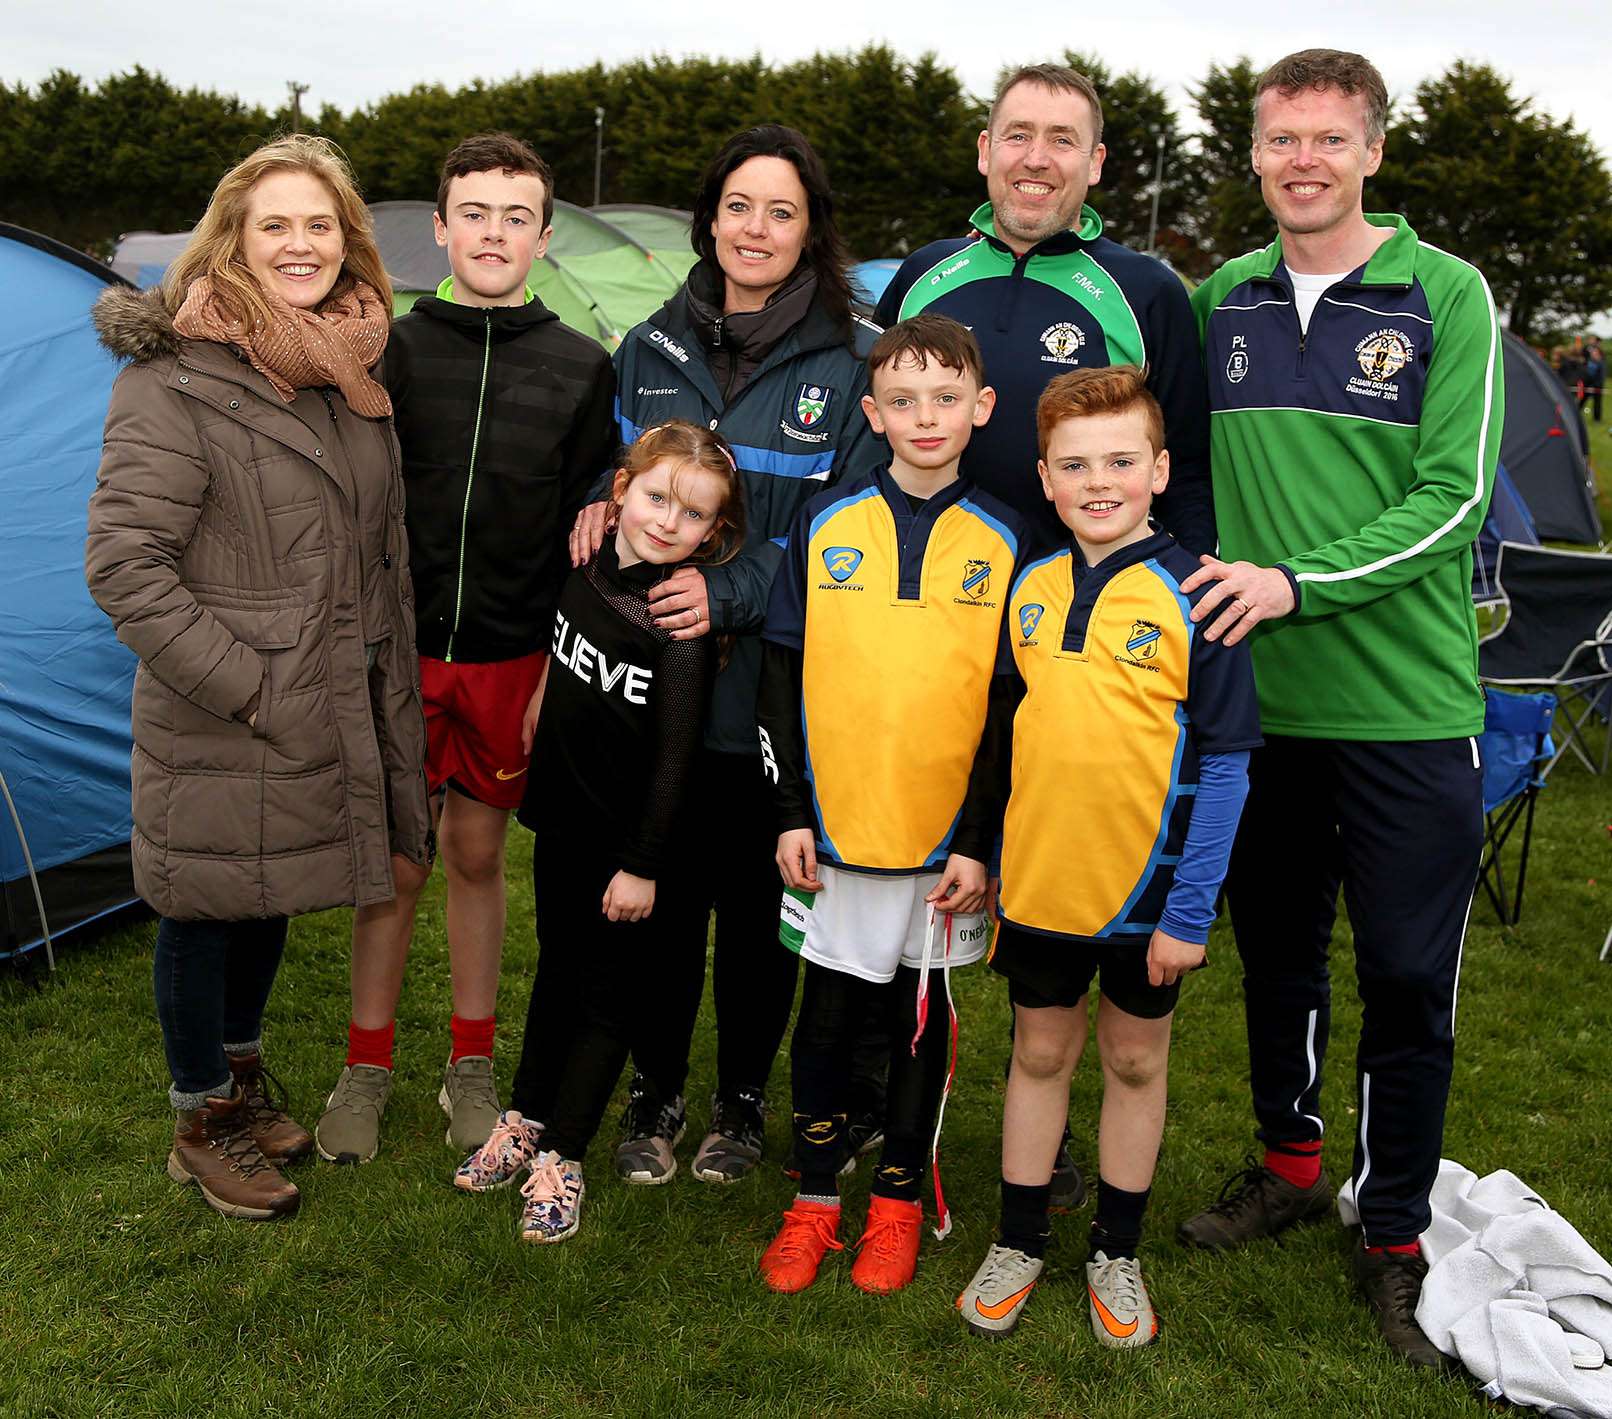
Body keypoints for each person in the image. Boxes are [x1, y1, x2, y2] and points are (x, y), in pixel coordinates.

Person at [1175, 49, 1500, 1369]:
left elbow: (1459, 496)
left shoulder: (1446, 295)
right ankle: (1290, 1161)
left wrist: (1293, 581)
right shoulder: (1215, 301)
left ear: (1373, 150)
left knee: (1412, 976)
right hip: (1262, 709)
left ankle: (1396, 1228)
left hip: (1410, 706)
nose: (1301, 159)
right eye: (1278, 139)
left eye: (1327, 138)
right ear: (1252, 156)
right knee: (1284, 961)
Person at [85, 134, 430, 1221]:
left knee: (272, 890)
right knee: (204, 905)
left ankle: (238, 1082)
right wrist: (256, 687)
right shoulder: (172, 381)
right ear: (232, 236)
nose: (299, 244)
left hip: (327, 694)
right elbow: (124, 568)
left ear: (349, 242)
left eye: (319, 224)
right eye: (273, 223)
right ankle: (199, 1118)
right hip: (231, 706)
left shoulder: (342, 370)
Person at [568, 125, 882, 1187]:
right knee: (657, 892)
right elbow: (627, 479)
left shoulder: (854, 365)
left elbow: (843, 540)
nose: (756, 229)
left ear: (812, 230)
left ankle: (741, 1102)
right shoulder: (649, 346)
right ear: (709, 217)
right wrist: (594, 512)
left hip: (771, 688)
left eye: (780, 211)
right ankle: (652, 1090)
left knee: (755, 915)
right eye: (738, 206)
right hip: (655, 688)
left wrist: (726, 592)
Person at [316, 132, 616, 1165]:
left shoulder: (584, 368)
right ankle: (365, 1063)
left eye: (516, 216)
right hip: (398, 653)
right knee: (395, 864)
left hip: (510, 662)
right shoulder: (386, 350)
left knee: (476, 854)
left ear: (544, 234)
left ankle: (472, 1062)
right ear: (440, 228)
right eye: (474, 214)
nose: (494, 233)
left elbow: (590, 535)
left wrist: (555, 670)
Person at [956, 366, 1258, 1344]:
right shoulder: (1030, 589)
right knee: (1038, 1050)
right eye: (1075, 463)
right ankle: (1017, 1238)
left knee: (1133, 1060)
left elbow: (1225, 767)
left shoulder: (1198, 594)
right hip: (1041, 884)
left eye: (1121, 460)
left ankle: (1115, 1253)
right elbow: (1005, 738)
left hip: (1147, 897)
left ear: (1159, 470)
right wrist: (986, 854)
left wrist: (1189, 909)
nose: (1099, 481)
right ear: (1043, 476)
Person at [751, 314, 1020, 1295]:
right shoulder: (825, 522)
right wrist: (789, 810)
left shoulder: (1005, 537)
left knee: (920, 1017)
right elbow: (778, 677)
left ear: (980, 409)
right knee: (825, 1016)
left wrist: (978, 839)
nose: (924, 417)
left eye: (945, 398)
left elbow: (1004, 707)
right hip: (833, 834)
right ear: (871, 412)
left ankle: (899, 1200)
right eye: (901, 401)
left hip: (943, 846)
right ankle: (815, 1197)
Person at [451, 420, 744, 1242]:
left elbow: (676, 761)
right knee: (556, 973)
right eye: (655, 497)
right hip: (565, 824)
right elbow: (568, 654)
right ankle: (526, 1117)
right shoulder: (587, 570)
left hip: (631, 852)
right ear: (621, 492)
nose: (664, 522)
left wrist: (644, 865)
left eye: (689, 515)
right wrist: (548, 690)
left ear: (712, 533)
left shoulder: (678, 627)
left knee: (606, 998)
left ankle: (567, 1154)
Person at [875, 63, 1214, 559]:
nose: (1036, 159)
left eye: (1061, 140)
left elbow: (1185, 467)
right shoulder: (922, 273)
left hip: (1078, 607)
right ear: (986, 151)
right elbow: (866, 431)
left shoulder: (1148, 290)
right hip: (921, 592)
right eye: (1018, 136)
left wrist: (1188, 591)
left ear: (1094, 162)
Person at [1581, 338, 1604, 423]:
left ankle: (1597, 419)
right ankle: (1576, 415)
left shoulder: (1601, 363)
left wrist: (1597, 385)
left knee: (1597, 403)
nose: (1593, 354)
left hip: (1597, 386)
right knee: (1582, 401)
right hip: (1587, 385)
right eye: (1593, 353)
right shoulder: (1588, 362)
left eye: (1595, 353)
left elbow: (1601, 376)